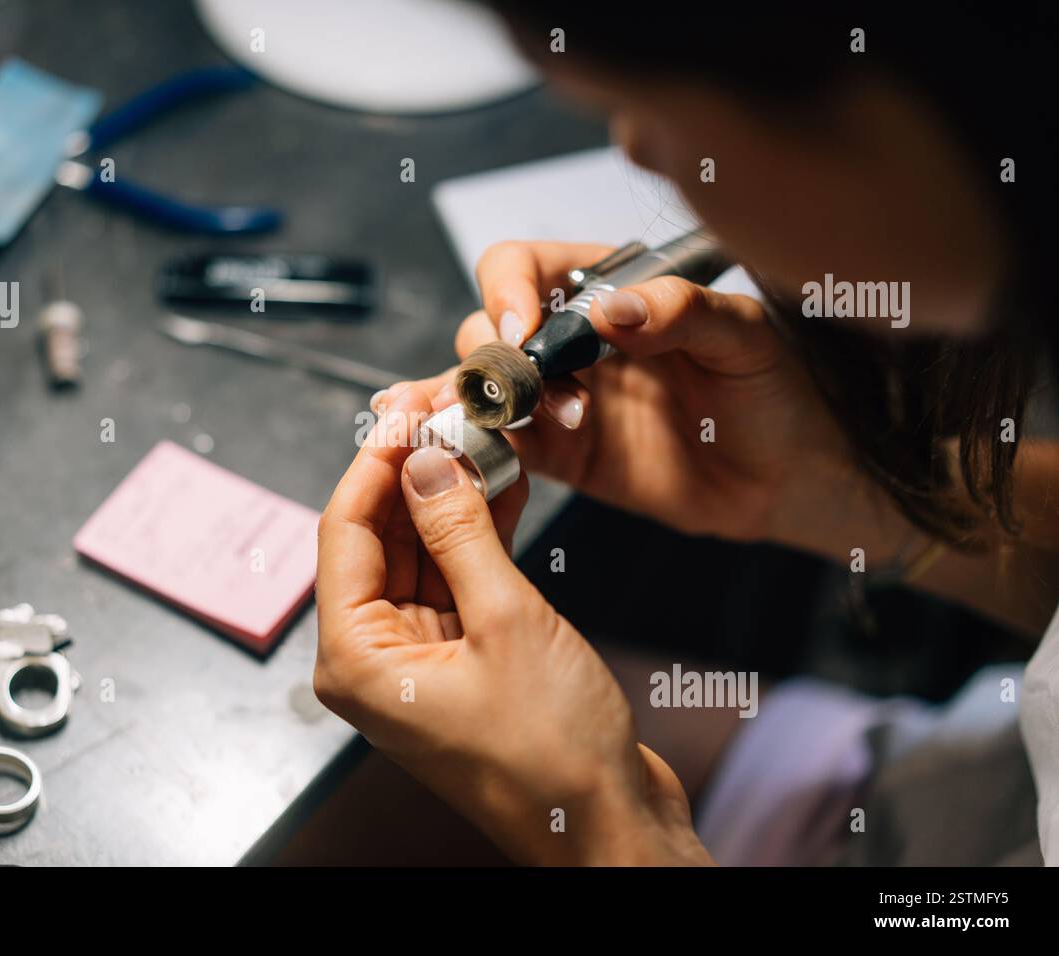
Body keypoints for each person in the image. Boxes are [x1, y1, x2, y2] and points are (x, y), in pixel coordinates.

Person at [313, 7, 1059, 864]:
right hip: (955, 789)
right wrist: (837, 488)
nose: (633, 145)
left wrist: (600, 826)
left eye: (662, 100)